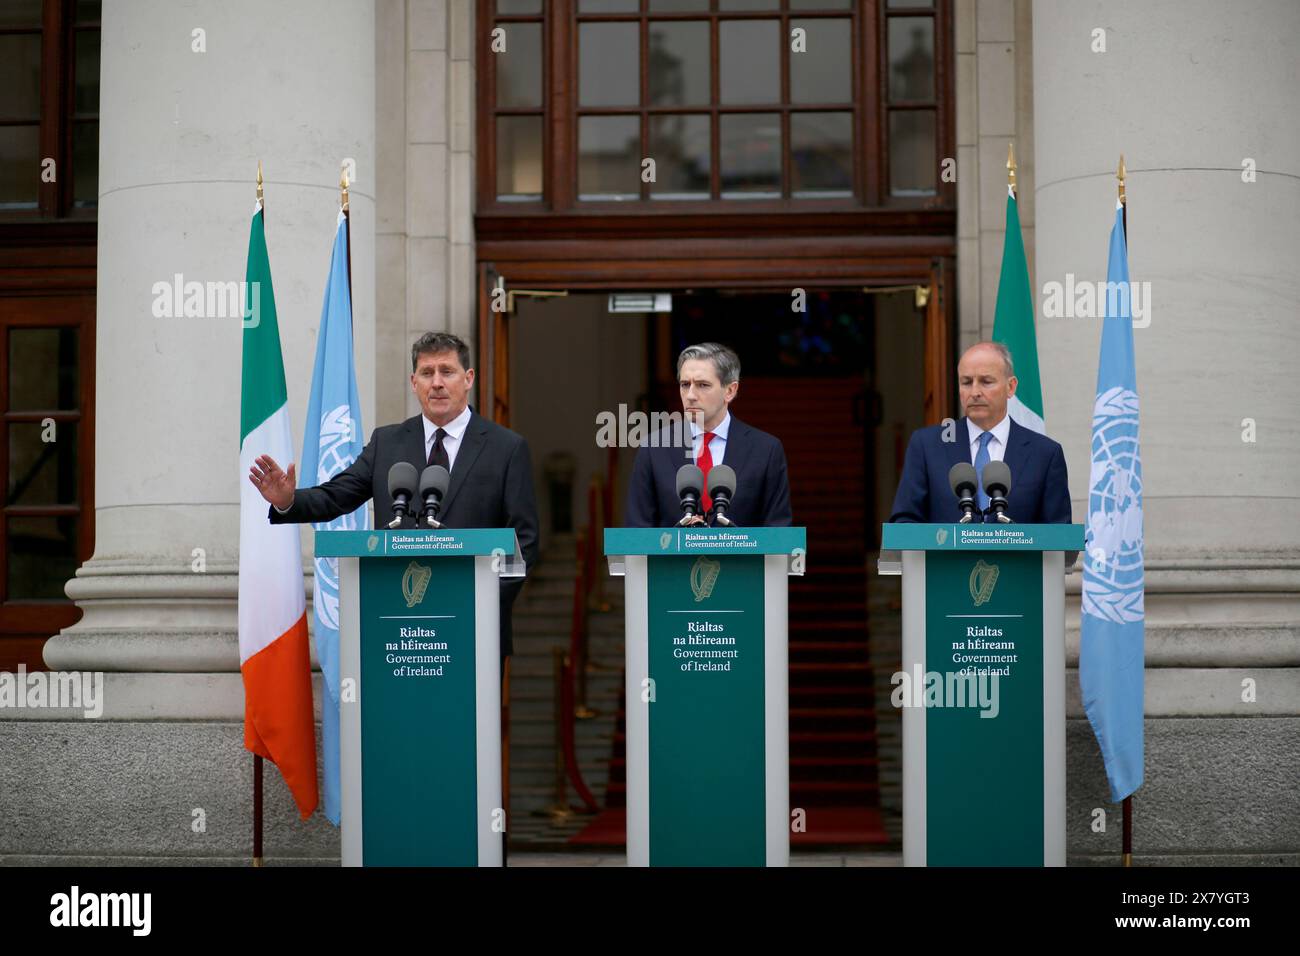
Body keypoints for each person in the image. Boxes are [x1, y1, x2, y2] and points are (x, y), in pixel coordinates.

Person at [248, 331, 540, 661]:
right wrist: (288, 500)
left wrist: (480, 604)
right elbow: (336, 496)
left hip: (475, 632)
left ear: (468, 378)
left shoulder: (506, 448)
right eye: (427, 373)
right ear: (414, 382)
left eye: (447, 371)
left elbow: (524, 542)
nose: (437, 383)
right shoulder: (388, 443)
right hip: (399, 631)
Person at [889, 341, 1072, 524]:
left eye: (986, 382)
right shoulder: (927, 446)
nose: (975, 392)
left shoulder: (1045, 453)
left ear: (1011, 387)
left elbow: (1059, 536)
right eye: (966, 382)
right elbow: (905, 523)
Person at [625, 341, 792, 528]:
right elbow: (637, 532)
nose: (690, 395)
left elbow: (778, 532)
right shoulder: (653, 448)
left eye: (702, 385)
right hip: (673, 558)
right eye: (685, 384)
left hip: (741, 558)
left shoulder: (766, 450)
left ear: (730, 391)